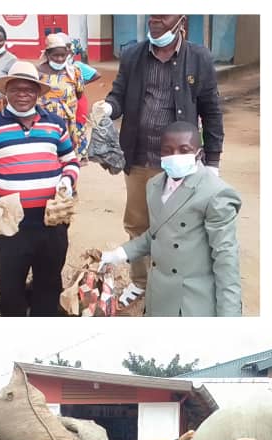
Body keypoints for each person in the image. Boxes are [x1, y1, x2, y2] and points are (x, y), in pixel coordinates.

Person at [93, 14, 223, 307]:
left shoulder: (198, 58)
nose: (155, 19)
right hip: (138, 157)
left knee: (178, 227)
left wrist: (212, 161)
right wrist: (109, 108)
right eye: (152, 13)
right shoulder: (132, 55)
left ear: (181, 20)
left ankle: (175, 286)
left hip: (180, 162)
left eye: (164, 14)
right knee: (138, 224)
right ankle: (141, 283)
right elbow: (119, 95)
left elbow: (211, 110)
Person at [0, 61, 80, 317]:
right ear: (6, 91)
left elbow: (71, 161)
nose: (23, 94)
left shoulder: (55, 124)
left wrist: (66, 181)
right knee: (11, 287)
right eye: (16, 89)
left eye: (29, 89)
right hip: (11, 223)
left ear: (38, 93)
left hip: (52, 221)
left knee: (49, 283)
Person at [98, 121, 241, 316]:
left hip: (190, 303)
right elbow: (157, 235)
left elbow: (226, 260)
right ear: (161, 154)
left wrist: (230, 318)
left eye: (184, 150)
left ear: (198, 153)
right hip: (158, 294)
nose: (176, 156)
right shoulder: (154, 185)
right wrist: (119, 254)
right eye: (168, 150)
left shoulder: (215, 194)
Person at [37, 33, 88, 161]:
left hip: (69, 124)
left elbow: (79, 93)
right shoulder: (38, 73)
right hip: (45, 123)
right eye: (55, 55)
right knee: (48, 156)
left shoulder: (74, 72)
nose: (60, 59)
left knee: (68, 159)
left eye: (63, 55)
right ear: (48, 55)